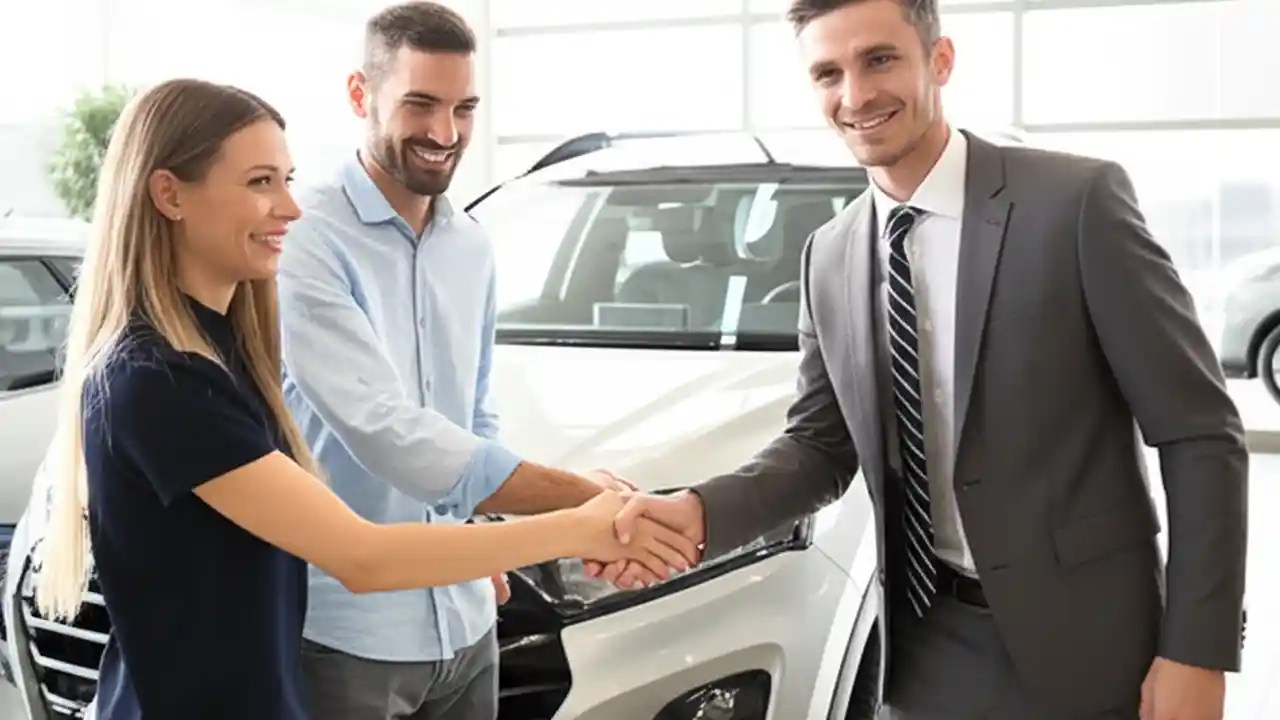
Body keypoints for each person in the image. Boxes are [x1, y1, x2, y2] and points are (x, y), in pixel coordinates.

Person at [593, 1, 1249, 718]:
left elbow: (1200, 434)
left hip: (1090, 640)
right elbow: (819, 447)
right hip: (925, 643)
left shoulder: (1074, 204)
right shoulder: (831, 253)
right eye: (827, 73)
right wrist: (694, 512)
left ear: (939, 60)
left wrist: (1197, 650)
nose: (855, 95)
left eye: (879, 59)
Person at [31, 77, 698, 720]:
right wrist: (585, 522)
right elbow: (362, 556)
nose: (290, 208)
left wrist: (485, 540)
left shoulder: (227, 355)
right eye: (260, 183)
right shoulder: (158, 380)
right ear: (169, 194)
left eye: (287, 180)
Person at [272, 4, 680, 719]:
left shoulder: (472, 245)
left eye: (464, 108)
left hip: (467, 622)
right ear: (360, 96)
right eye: (420, 105)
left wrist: (484, 539)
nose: (446, 133)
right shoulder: (305, 237)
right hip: (346, 635)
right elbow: (384, 429)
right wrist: (584, 499)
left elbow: (476, 414)